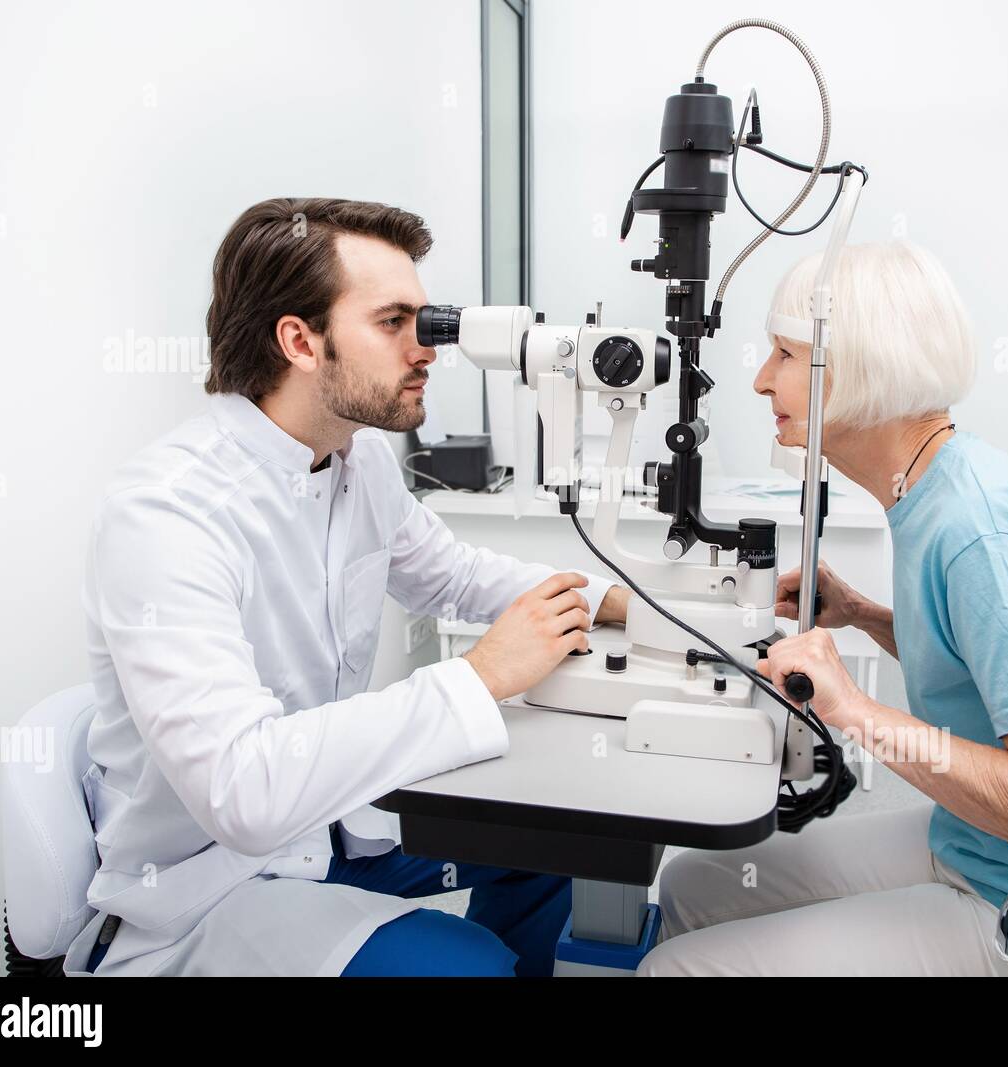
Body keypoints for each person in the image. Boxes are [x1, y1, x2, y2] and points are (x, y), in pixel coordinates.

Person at [69, 198, 629, 976]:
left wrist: (621, 600)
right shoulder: (168, 512)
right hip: (215, 884)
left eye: (425, 322)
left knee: (562, 845)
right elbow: (246, 788)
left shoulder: (357, 460)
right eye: (394, 322)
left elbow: (454, 574)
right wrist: (479, 675)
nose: (428, 349)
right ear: (300, 340)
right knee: (464, 966)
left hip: (333, 833)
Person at [639, 241, 1008, 977]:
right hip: (991, 845)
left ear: (854, 368)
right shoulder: (934, 488)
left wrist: (854, 711)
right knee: (694, 882)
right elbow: (979, 665)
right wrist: (860, 612)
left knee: (676, 971)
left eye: (783, 354)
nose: (759, 380)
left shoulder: (978, 532)